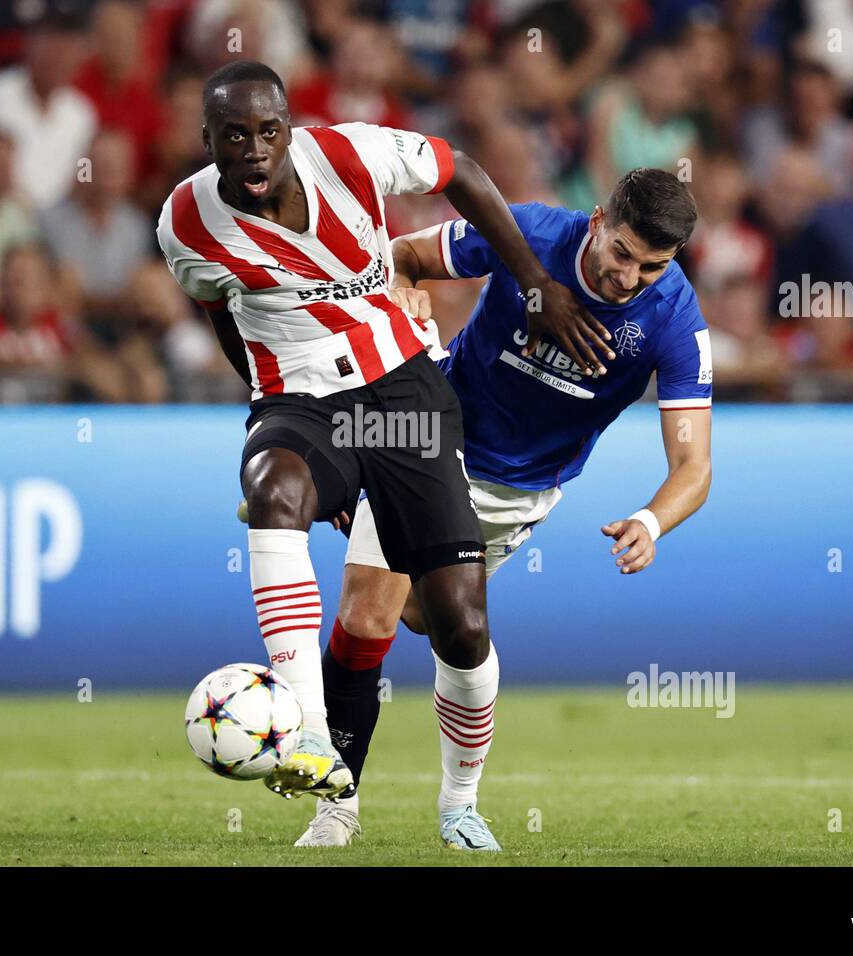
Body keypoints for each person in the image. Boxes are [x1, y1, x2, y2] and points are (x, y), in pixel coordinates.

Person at [156, 60, 613, 850]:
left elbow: (462, 171)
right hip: (301, 399)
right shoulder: (185, 224)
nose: (257, 150)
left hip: (405, 393)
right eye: (236, 136)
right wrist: (273, 413)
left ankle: (459, 802)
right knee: (274, 492)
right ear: (210, 143)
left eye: (270, 131)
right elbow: (223, 314)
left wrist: (535, 282)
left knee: (458, 624)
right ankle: (310, 749)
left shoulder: (353, 153)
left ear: (289, 129)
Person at [297, 169, 715, 849]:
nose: (629, 277)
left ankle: (458, 805)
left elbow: (694, 467)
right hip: (434, 435)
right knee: (363, 610)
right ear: (599, 218)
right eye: (621, 254)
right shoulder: (528, 231)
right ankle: (335, 807)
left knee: (445, 626)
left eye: (651, 266)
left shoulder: (674, 320)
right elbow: (401, 254)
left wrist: (650, 520)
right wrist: (404, 292)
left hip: (516, 489)